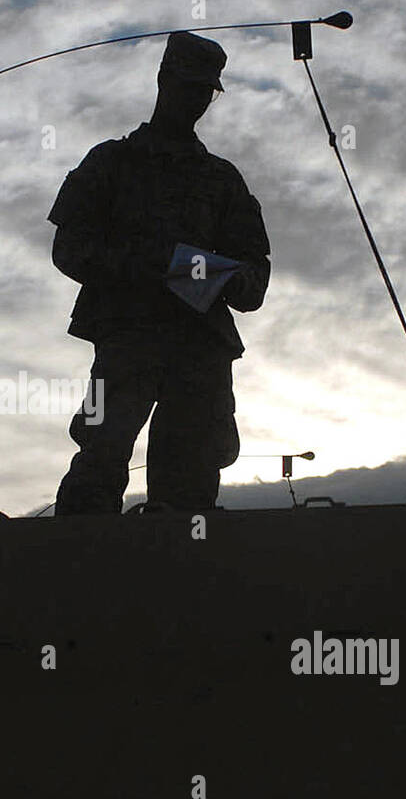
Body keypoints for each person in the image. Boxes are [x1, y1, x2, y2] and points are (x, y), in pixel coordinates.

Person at [48, 30, 272, 515]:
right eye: (186, 86)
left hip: (199, 348)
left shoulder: (221, 179)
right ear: (163, 80)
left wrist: (198, 271)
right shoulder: (111, 163)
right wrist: (146, 265)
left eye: (204, 91)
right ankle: (73, 569)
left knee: (189, 485)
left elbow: (253, 284)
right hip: (126, 340)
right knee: (99, 459)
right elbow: (70, 249)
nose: (195, 100)